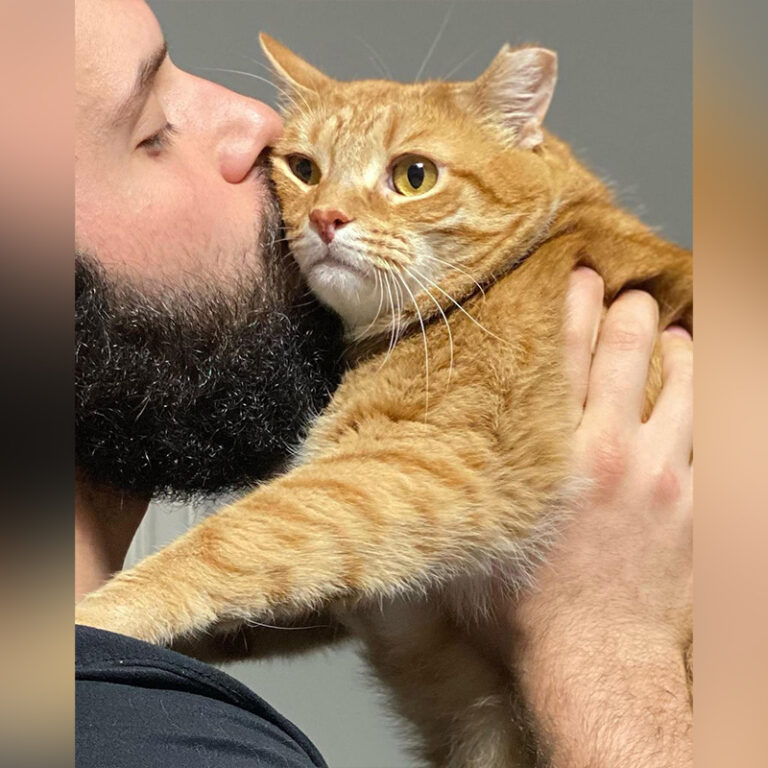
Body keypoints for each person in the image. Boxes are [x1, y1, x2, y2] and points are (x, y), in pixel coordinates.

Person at [74, 1, 693, 766]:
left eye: (411, 175)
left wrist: (134, 615)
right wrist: (610, 641)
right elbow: (398, 516)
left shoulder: (553, 290)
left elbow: (421, 489)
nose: (329, 213)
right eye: (307, 170)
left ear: (522, 140)